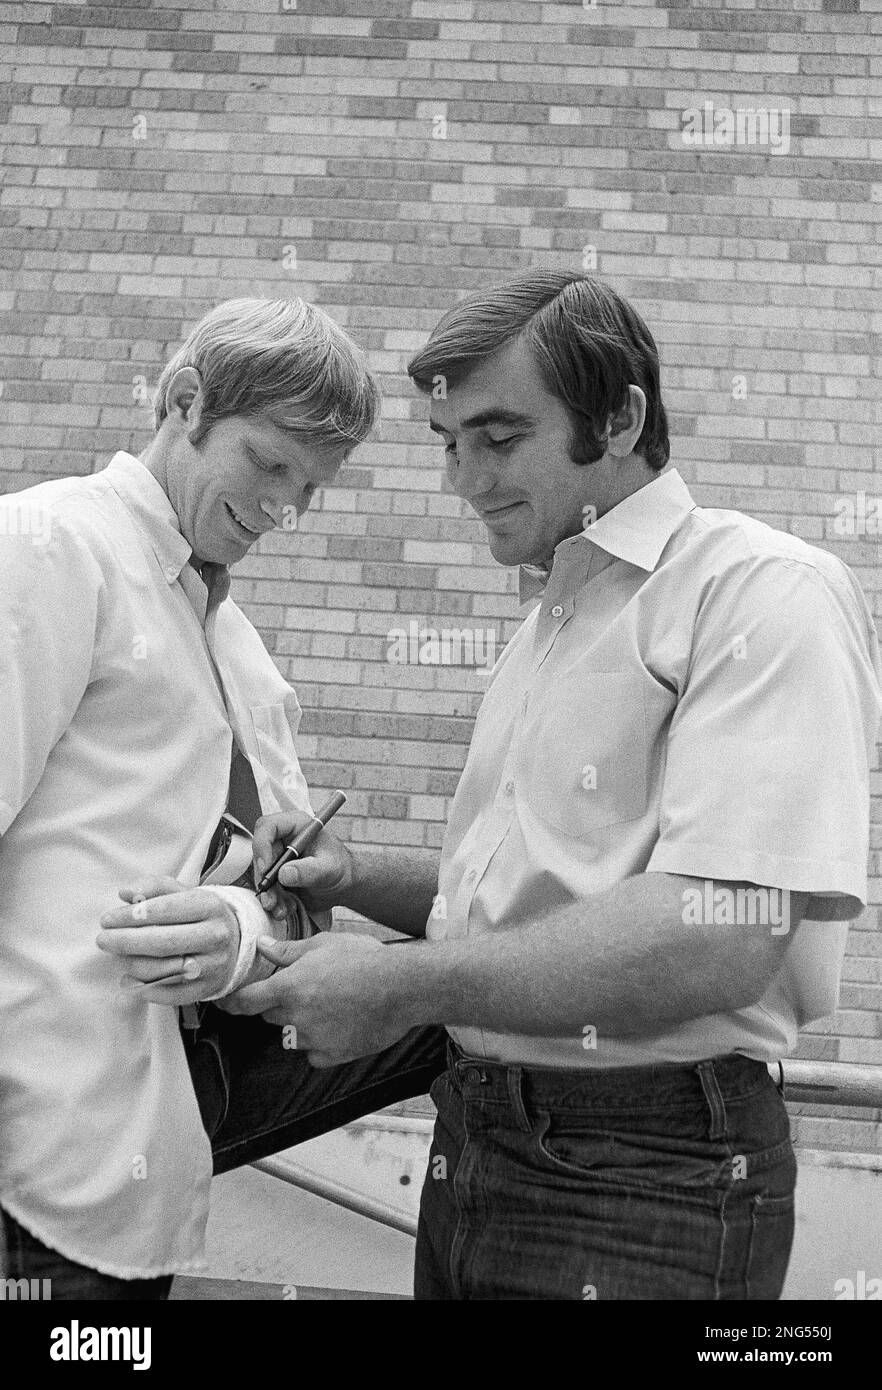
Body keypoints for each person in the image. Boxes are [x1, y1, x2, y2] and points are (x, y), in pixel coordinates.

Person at [220, 271, 882, 1299]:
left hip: (645, 1171)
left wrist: (397, 985)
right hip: (479, 1137)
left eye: (497, 436)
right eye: (448, 444)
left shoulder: (761, 590)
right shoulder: (555, 620)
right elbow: (539, 903)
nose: (463, 478)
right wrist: (353, 879)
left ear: (618, 418)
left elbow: (721, 931)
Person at [0, 297, 391, 1298]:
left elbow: (296, 894)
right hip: (32, 1163)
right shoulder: (47, 549)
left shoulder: (241, 649)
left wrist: (235, 924)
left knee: (455, 987)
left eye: (310, 486)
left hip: (150, 1163)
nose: (284, 508)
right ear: (185, 402)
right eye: (269, 464)